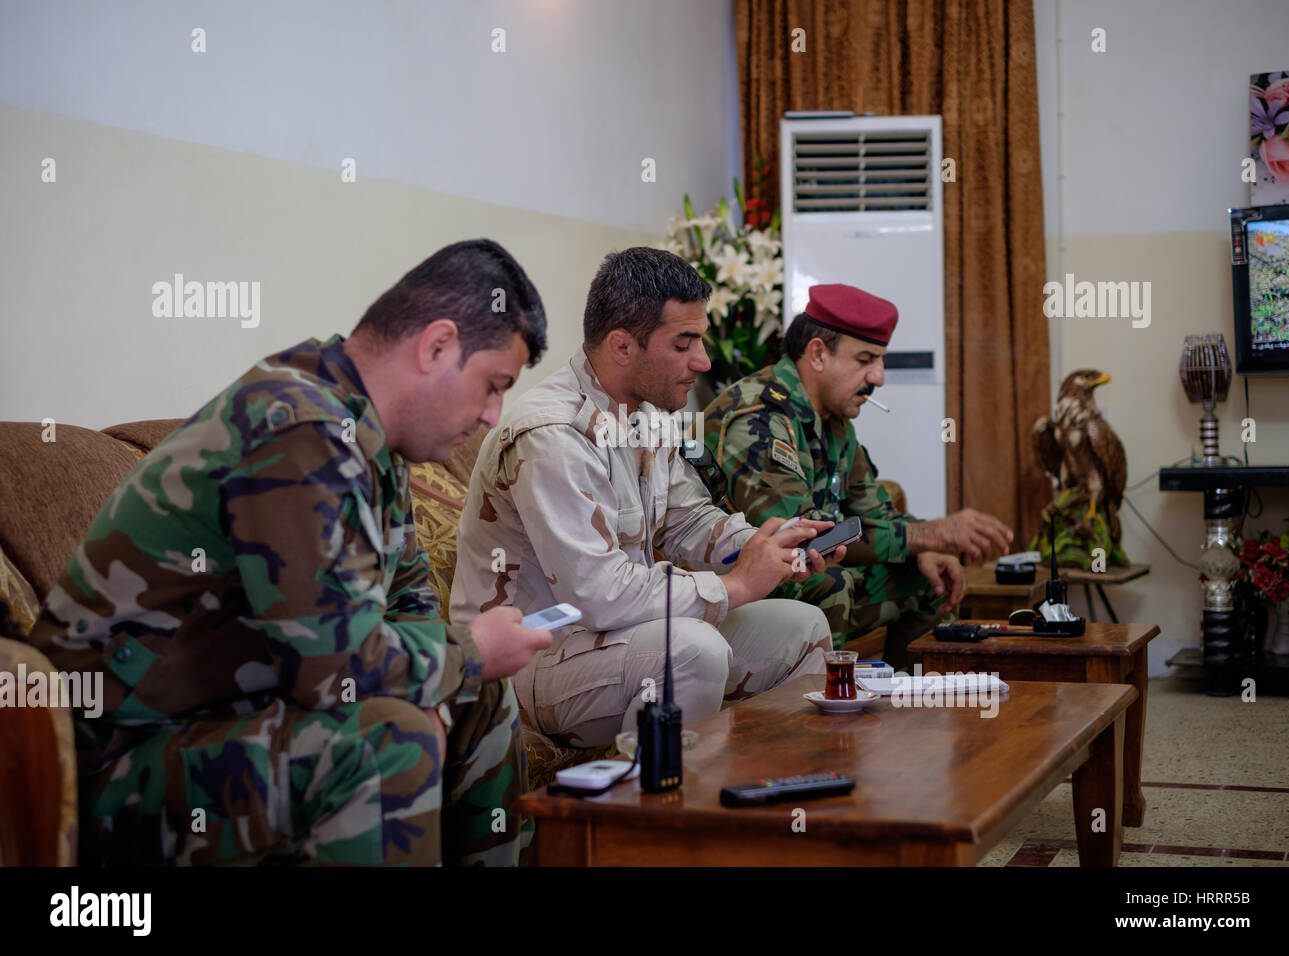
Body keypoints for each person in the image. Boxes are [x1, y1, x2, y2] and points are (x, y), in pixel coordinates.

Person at [27, 239, 555, 866]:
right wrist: (467, 655)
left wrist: (452, 677)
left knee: (481, 699)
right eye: (493, 386)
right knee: (391, 741)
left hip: (231, 723)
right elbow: (337, 670)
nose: (494, 415)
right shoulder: (300, 429)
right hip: (110, 767)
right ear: (436, 345)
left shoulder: (374, 445)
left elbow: (409, 603)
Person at [450, 247, 844, 749]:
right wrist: (735, 586)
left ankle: (770, 800)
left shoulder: (644, 417)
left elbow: (689, 521)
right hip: (528, 657)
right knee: (690, 650)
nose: (702, 361)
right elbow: (599, 593)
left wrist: (774, 544)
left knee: (802, 627)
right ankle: (663, 815)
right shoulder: (550, 436)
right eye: (685, 343)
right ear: (621, 346)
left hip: (613, 638)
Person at [702, 283, 1014, 662]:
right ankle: (809, 715)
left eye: (880, 360)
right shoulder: (758, 417)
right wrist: (931, 533)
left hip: (807, 573)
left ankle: (909, 708)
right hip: (738, 583)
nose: (879, 377)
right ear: (818, 353)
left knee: (930, 577)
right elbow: (802, 537)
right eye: (866, 359)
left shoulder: (834, 419)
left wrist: (925, 548)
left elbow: (875, 512)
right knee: (826, 581)